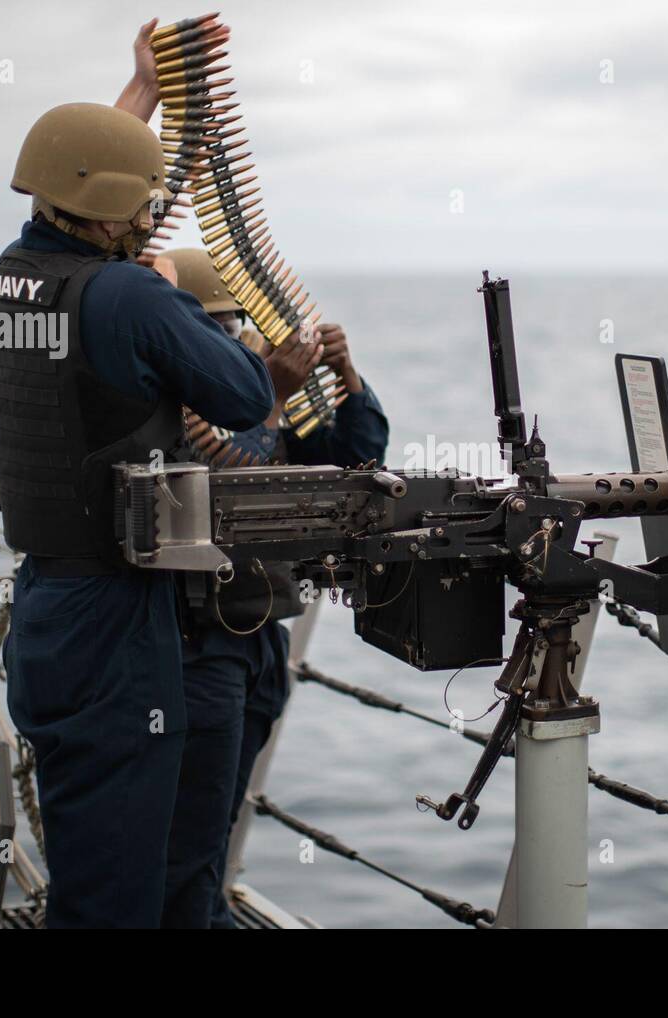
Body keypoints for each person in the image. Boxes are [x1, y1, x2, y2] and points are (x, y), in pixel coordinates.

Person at [0, 51, 274, 925]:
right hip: (117, 624)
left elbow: (85, 185)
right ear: (118, 211)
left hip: (48, 609)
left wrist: (140, 94)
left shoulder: (6, 278)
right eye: (140, 206)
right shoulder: (130, 300)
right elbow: (247, 395)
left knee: (98, 858)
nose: (149, 216)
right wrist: (173, 299)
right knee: (114, 902)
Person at [154, 248, 389, 927]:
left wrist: (347, 380)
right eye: (220, 334)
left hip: (258, 640)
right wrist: (275, 396)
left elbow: (357, 462)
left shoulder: (254, 399)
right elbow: (227, 474)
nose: (234, 347)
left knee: (216, 821)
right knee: (190, 838)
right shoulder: (183, 410)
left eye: (237, 332)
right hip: (202, 647)